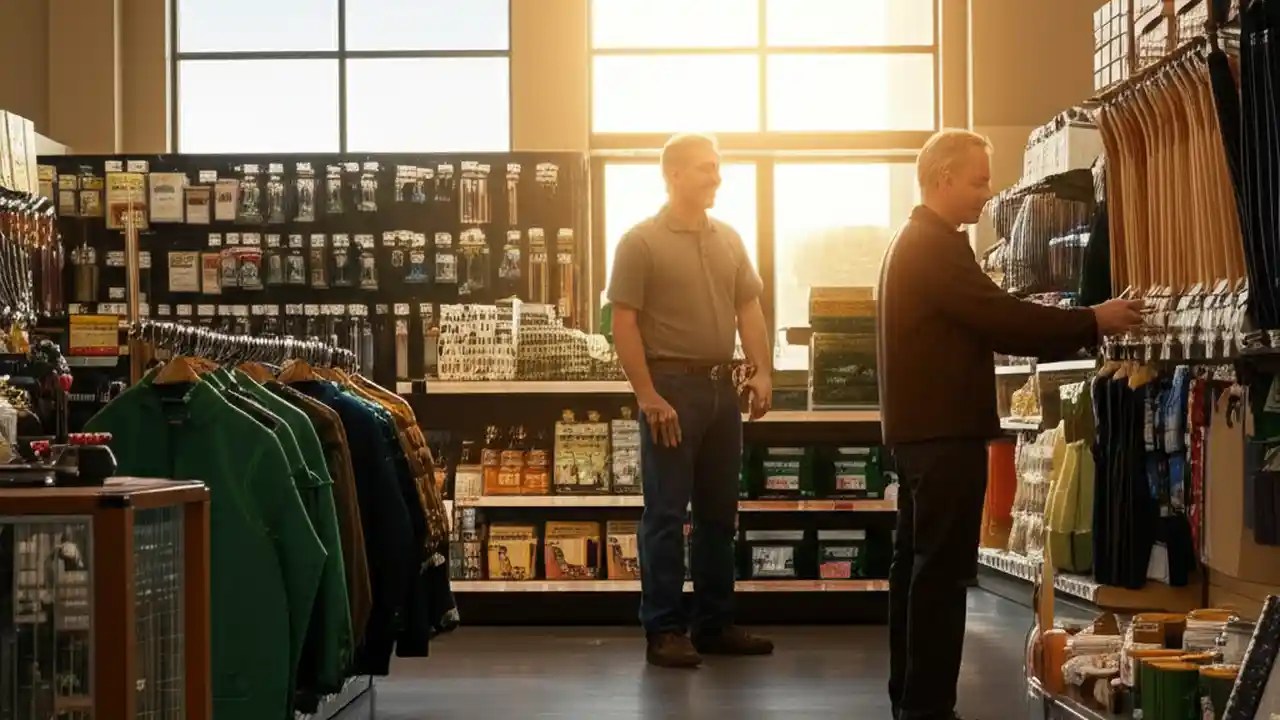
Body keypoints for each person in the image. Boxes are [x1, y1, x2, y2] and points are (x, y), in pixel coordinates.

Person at [877, 129, 1143, 720]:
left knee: (916, 574)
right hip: (944, 436)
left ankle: (911, 699)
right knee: (940, 581)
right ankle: (929, 709)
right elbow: (1001, 320)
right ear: (943, 178)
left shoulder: (911, 241)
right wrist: (1092, 319)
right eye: (977, 180)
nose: (986, 193)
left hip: (919, 435)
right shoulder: (935, 246)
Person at [608, 132, 775, 669]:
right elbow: (623, 323)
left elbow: (748, 308)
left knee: (718, 517)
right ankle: (664, 631)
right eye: (705, 168)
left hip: (721, 389)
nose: (716, 177)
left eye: (718, 167)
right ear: (674, 174)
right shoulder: (640, 242)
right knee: (663, 514)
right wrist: (648, 395)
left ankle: (714, 624)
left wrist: (764, 371)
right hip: (671, 390)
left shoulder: (728, 238)